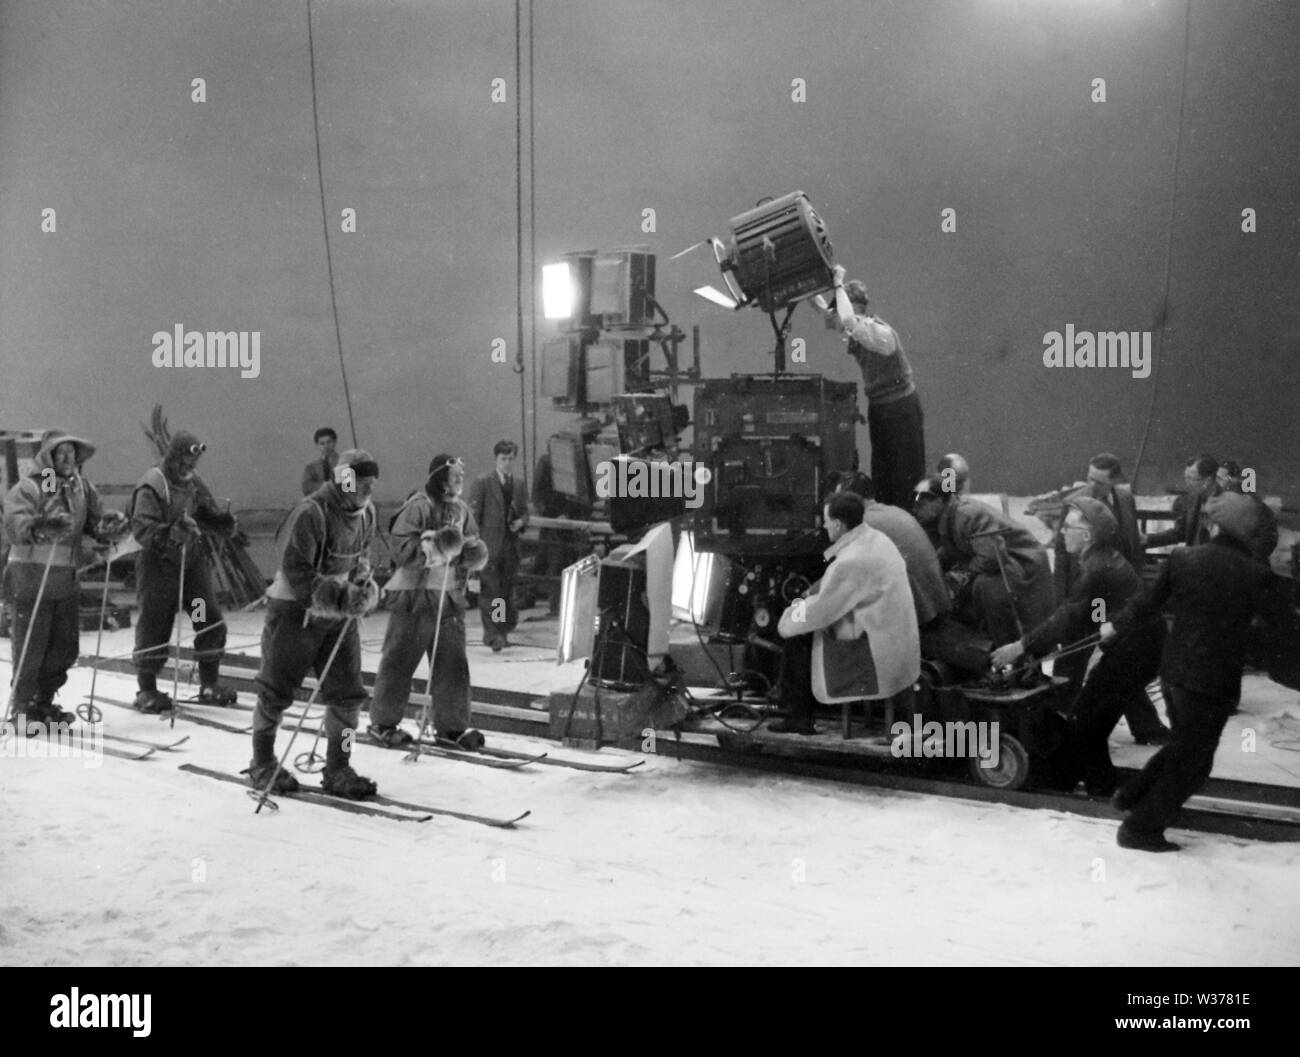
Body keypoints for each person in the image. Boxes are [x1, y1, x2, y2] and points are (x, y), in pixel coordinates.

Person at [1103, 493, 1279, 851]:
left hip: (1174, 674)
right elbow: (1280, 634)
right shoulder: (1257, 575)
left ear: (1214, 526)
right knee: (1194, 763)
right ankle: (1140, 829)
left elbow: (1146, 603)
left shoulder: (1183, 558)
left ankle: (1133, 795)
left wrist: (1115, 626)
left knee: (1184, 745)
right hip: (1213, 682)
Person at [990, 498, 1169, 793]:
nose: (1061, 533)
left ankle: (1099, 792)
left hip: (1136, 651)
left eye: (1068, 527)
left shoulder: (1096, 569)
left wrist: (1021, 646)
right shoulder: (1099, 559)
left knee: (1087, 724)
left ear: (1086, 536)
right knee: (1087, 721)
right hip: (1138, 647)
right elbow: (1087, 612)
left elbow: (1068, 616)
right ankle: (1082, 784)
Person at [249, 449, 382, 798]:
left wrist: (362, 585)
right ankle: (262, 761)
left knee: (348, 697)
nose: (367, 489)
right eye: (360, 481)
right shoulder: (312, 513)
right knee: (275, 692)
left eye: (371, 482)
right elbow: (297, 570)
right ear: (343, 479)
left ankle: (340, 764)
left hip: (339, 619)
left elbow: (362, 559)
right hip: (296, 612)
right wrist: (338, 598)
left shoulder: (367, 514)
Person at [3, 431, 127, 727]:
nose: (68, 459)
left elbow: (94, 521)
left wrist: (107, 526)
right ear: (48, 457)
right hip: (31, 578)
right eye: (61, 453)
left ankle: (43, 701)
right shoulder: (33, 487)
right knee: (32, 646)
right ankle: (22, 707)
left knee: (64, 647)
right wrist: (39, 527)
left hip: (64, 581)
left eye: (72, 453)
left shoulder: (81, 487)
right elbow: (15, 521)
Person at [368, 454, 490, 749]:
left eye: (462, 475)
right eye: (455, 476)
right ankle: (383, 723)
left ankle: (451, 727)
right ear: (440, 478)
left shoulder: (460, 510)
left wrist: (470, 553)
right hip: (415, 597)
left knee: (452, 665)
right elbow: (402, 549)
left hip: (448, 598)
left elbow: (470, 541)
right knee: (399, 661)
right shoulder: (418, 507)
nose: (461, 481)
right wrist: (437, 546)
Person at [772, 492, 919, 735]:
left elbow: (816, 613)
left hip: (875, 656)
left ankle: (797, 716)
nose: (824, 525)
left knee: (797, 637)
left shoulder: (851, 560)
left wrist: (792, 610)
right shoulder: (877, 539)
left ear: (839, 524)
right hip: (895, 643)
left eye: (826, 520)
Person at [129, 431, 240, 712]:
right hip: (159, 566)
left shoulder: (191, 482)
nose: (189, 467)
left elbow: (199, 512)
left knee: (205, 615)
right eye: (185, 460)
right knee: (156, 623)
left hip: (190, 566)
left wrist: (218, 522)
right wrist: (171, 533)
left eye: (193, 461)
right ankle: (147, 688)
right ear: (174, 456)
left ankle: (208, 681)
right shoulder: (153, 485)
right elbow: (142, 527)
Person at [911, 475, 1054, 647]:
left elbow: (991, 556)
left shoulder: (966, 515)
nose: (915, 509)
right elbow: (955, 548)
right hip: (1000, 559)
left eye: (921, 503)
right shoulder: (948, 515)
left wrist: (961, 575)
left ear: (940, 501)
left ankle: (1007, 648)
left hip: (1021, 560)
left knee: (986, 588)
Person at [825, 264, 925, 508]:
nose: (833, 318)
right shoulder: (856, 328)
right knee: (883, 474)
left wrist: (837, 282)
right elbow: (826, 313)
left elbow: (847, 319)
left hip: (901, 410)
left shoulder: (880, 334)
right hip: (880, 410)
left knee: (906, 475)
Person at [468, 440, 530, 651]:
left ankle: (502, 631)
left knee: (504, 593)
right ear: (496, 459)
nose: (507, 463)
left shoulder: (519, 484)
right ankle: (493, 635)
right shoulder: (483, 483)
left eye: (511, 459)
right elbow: (473, 517)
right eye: (503, 459)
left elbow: (525, 512)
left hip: (510, 548)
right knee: (491, 593)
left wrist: (521, 522)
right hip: (489, 547)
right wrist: (474, 547)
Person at [1143, 454, 1218, 550]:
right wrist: (1147, 539)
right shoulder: (1190, 500)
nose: (1187, 483)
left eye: (1191, 479)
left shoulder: (1228, 503)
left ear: (1208, 480)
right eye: (1186, 477)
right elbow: (1180, 533)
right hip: (1195, 558)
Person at [1215, 459, 1279, 564]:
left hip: (1243, 567)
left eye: (1219, 479)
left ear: (1234, 480)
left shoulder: (1257, 508)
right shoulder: (1208, 504)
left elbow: (1267, 541)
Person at [301, 427, 339, 496]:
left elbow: (349, 488)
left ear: (335, 442)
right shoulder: (311, 467)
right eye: (322, 443)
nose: (326, 446)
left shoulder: (345, 462)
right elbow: (306, 488)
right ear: (317, 445)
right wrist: (328, 486)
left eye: (329, 442)